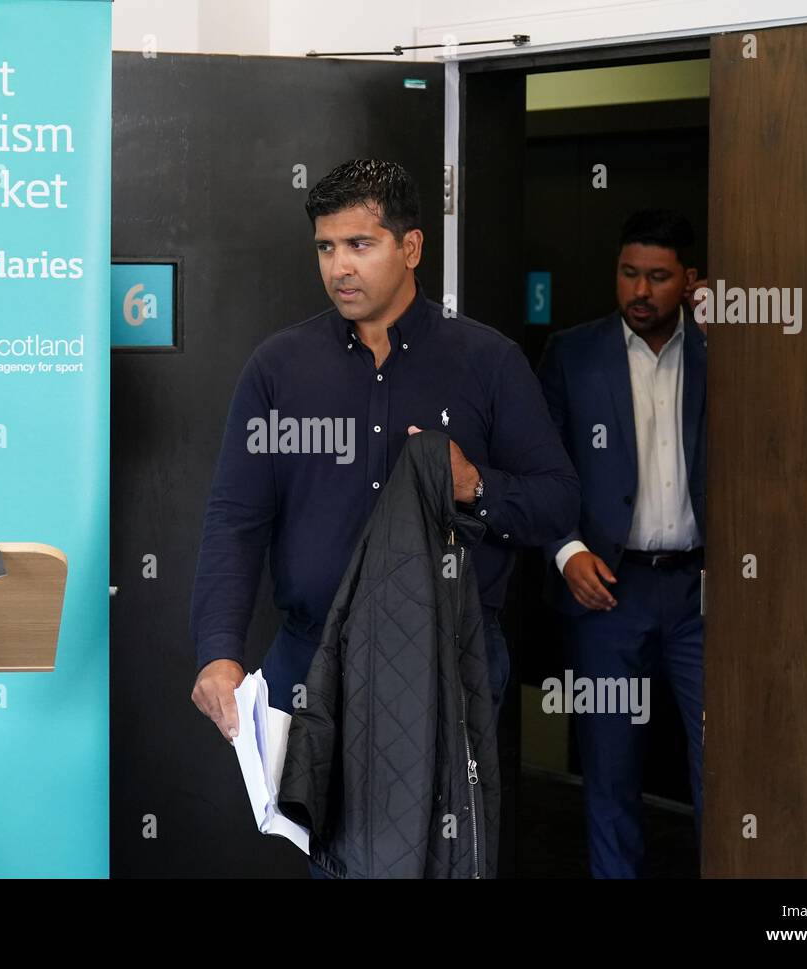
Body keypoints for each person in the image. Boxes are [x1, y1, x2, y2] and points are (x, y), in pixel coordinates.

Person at [187, 160, 580, 874]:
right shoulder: (278, 368)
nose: (339, 266)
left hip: (446, 663)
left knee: (440, 858)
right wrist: (218, 649)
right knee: (334, 858)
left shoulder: (488, 363)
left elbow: (557, 501)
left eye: (360, 244)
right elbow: (234, 518)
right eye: (326, 247)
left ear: (412, 247)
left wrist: (473, 484)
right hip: (312, 663)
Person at [537, 209, 707, 878]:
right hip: (608, 593)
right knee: (609, 772)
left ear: (690, 280)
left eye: (659, 277)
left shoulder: (722, 348)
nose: (640, 290)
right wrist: (565, 549)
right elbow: (539, 465)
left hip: (702, 596)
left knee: (723, 767)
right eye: (629, 273)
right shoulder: (572, 354)